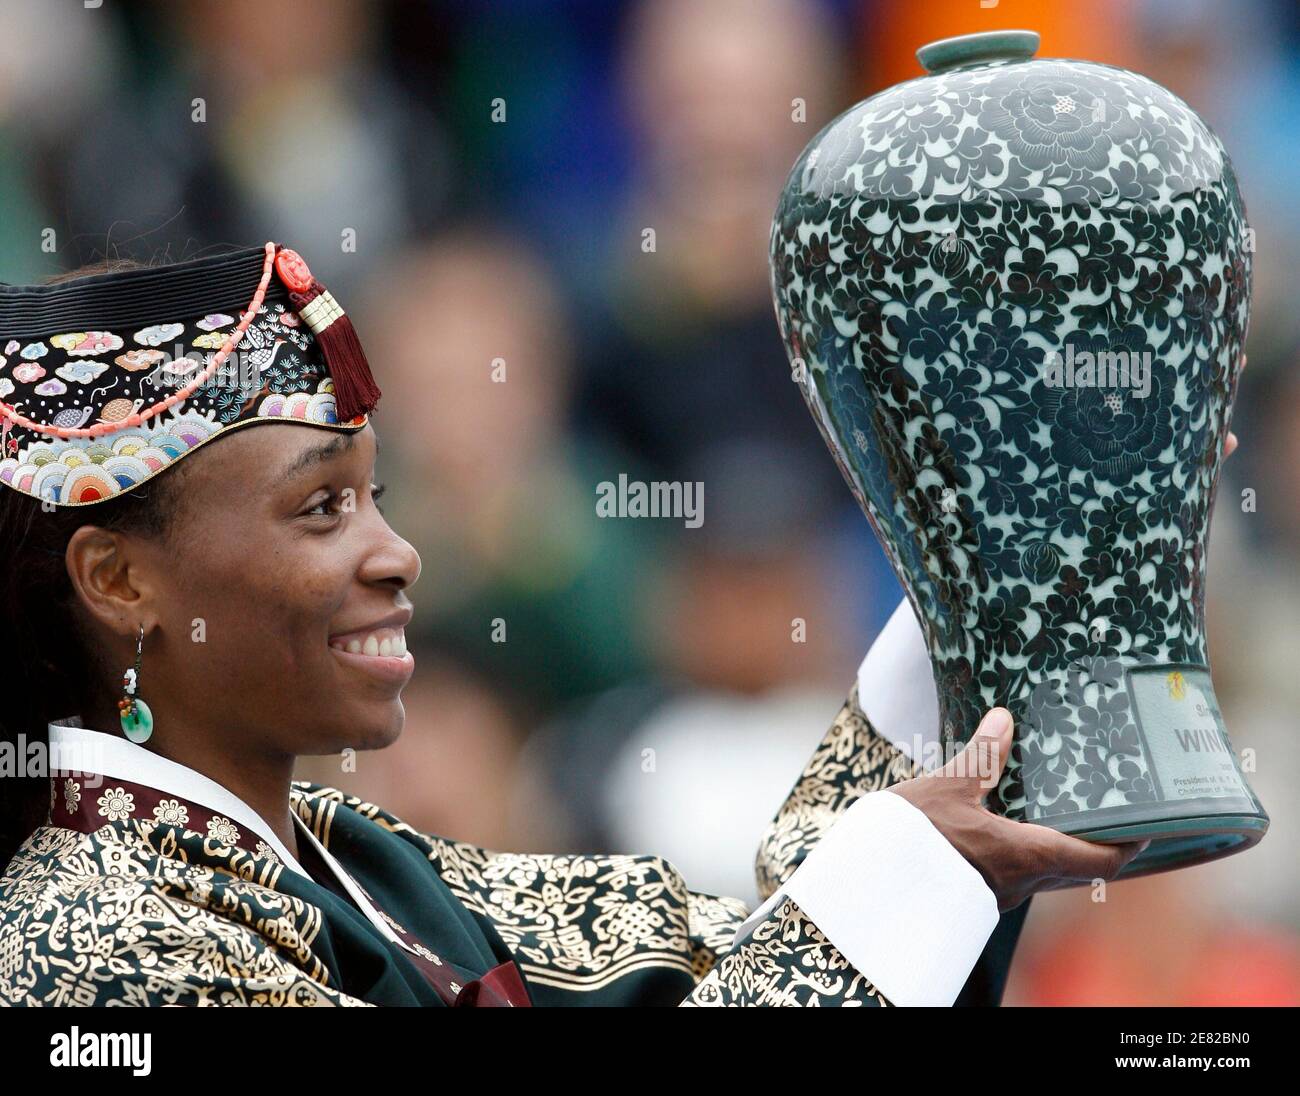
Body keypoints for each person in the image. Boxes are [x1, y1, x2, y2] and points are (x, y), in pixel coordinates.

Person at [0, 243, 1151, 1007]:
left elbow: (736, 956)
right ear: (118, 581)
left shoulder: (361, 859)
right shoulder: (82, 958)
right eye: (319, 508)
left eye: (375, 497)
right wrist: (909, 865)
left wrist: (987, 576)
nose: (397, 555)